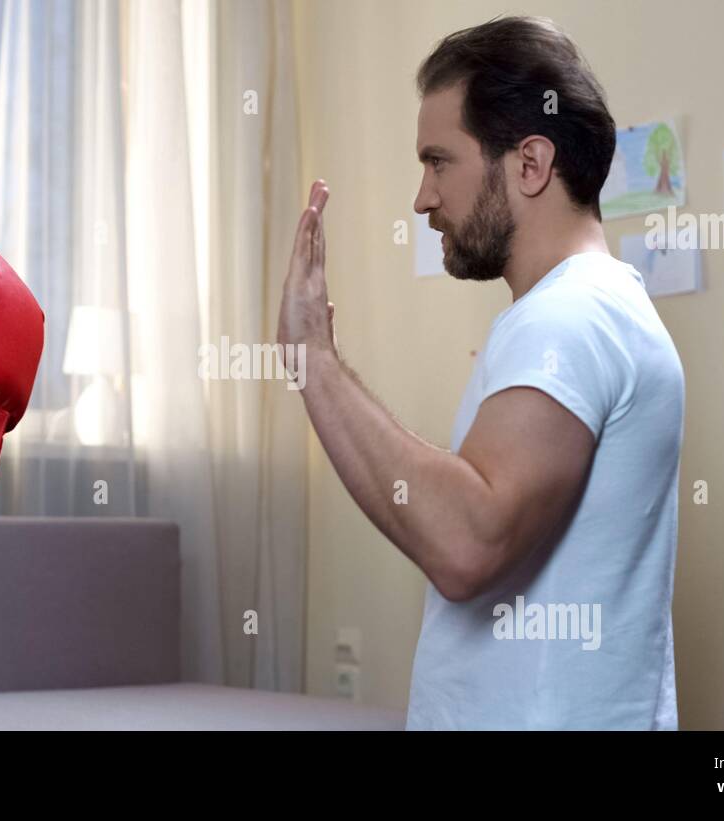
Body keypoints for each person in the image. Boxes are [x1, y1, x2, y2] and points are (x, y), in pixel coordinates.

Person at [277, 16, 684, 730]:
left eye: (439, 161)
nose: (422, 198)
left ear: (530, 164)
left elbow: (467, 542)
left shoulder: (571, 317)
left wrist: (314, 359)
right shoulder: (589, 310)